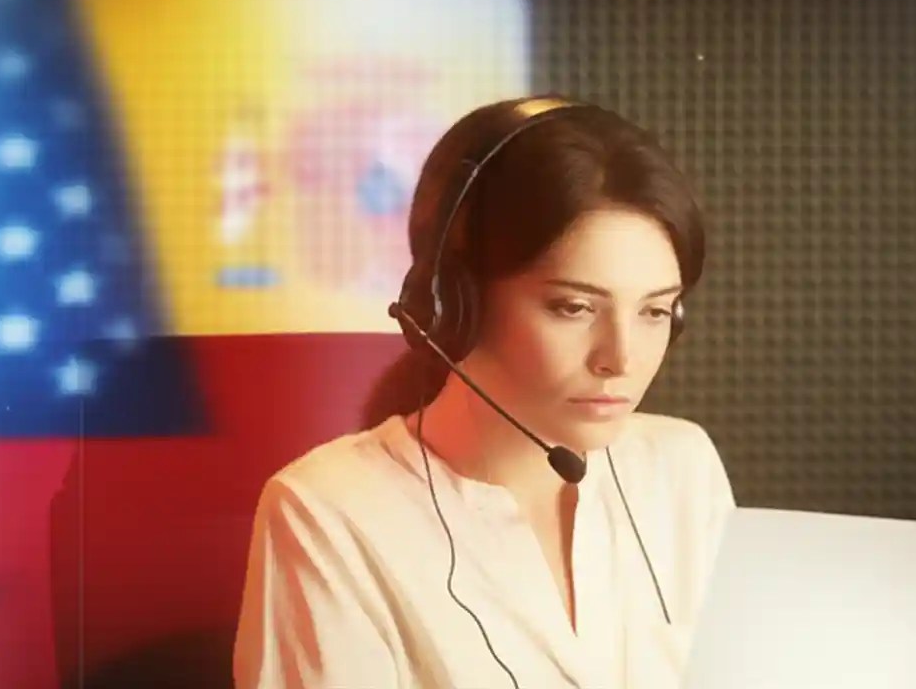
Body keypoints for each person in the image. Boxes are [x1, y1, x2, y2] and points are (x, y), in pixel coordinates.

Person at [233, 95, 736, 688]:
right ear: (454, 305)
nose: (621, 359)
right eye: (574, 307)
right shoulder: (329, 512)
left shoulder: (681, 466)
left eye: (655, 312)